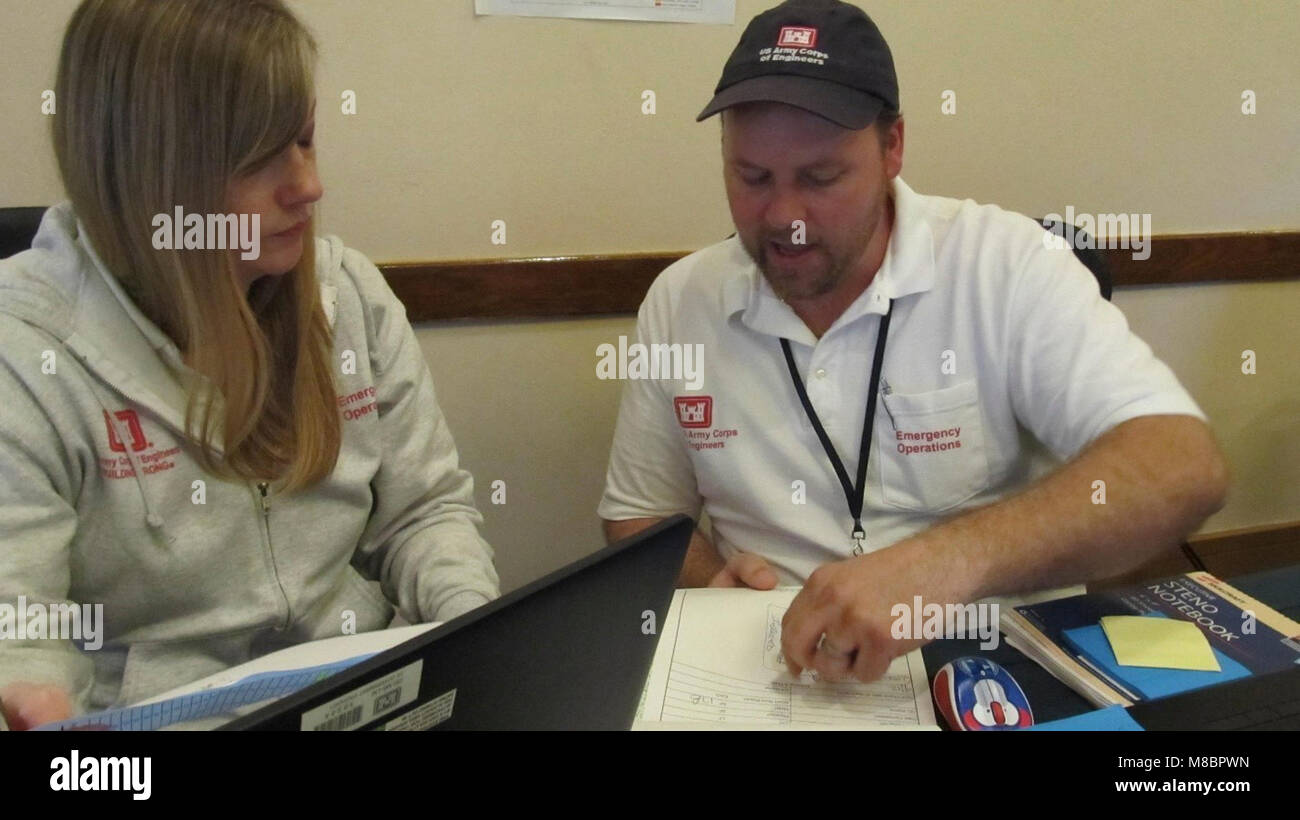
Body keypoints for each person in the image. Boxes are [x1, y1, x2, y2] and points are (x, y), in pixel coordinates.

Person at [599, 0, 1227, 685]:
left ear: (892, 147)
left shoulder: (1010, 264)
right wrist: (712, 580)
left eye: (820, 178)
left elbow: (1183, 467)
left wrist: (939, 568)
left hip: (992, 669)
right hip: (771, 675)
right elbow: (639, 513)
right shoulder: (681, 299)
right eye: (752, 178)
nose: (784, 219)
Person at [0, 0, 498, 729]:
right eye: (261, 156)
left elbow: (426, 514)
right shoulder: (24, 356)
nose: (309, 186)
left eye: (305, 139)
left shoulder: (348, 295)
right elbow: (23, 628)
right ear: (152, 174)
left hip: (357, 700)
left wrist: (477, 640)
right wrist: (31, 699)